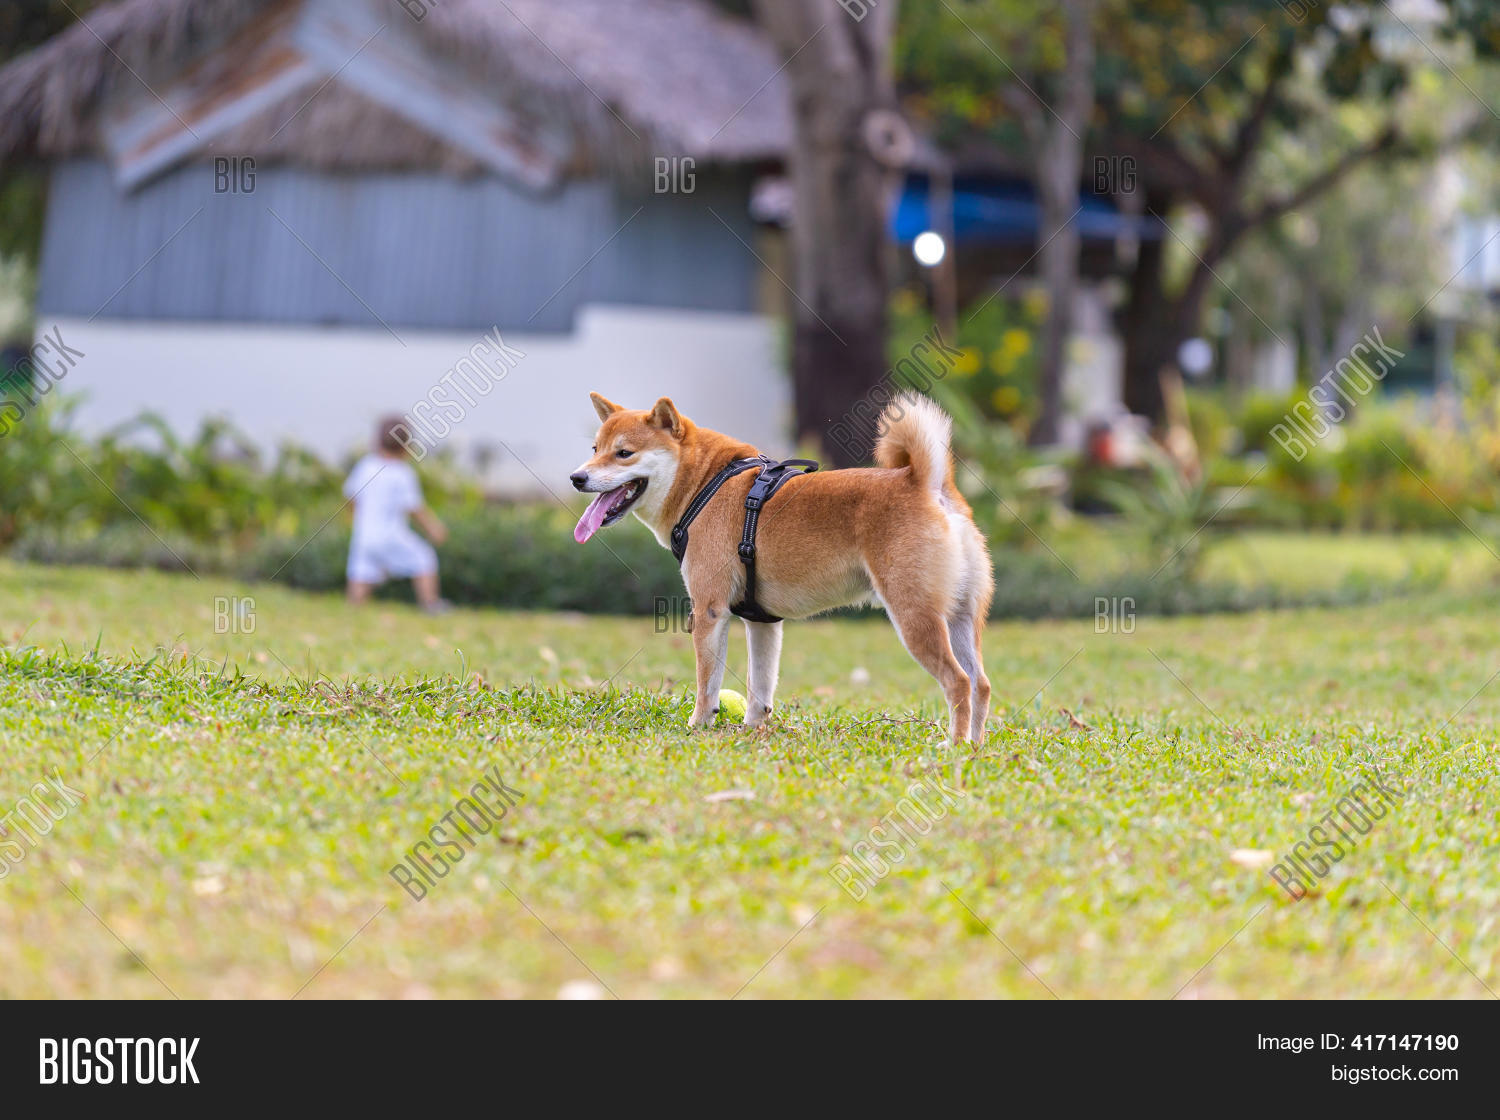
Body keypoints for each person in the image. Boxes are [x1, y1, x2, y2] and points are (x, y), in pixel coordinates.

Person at [344, 416, 450, 612]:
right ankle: (431, 604)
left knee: (362, 571)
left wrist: (355, 518)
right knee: (424, 558)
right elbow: (415, 508)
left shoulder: (366, 466)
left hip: (364, 534)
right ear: (406, 446)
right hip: (390, 535)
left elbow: (352, 498)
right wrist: (433, 529)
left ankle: (354, 607)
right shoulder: (402, 473)